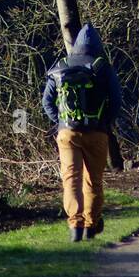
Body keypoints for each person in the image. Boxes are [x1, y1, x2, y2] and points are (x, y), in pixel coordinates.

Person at [42, 22, 121, 242]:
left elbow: (47, 102)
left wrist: (61, 122)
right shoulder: (102, 67)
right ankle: (90, 225)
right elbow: (116, 100)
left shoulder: (61, 66)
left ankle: (75, 227)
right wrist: (105, 122)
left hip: (67, 133)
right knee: (93, 181)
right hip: (97, 132)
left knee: (71, 179)